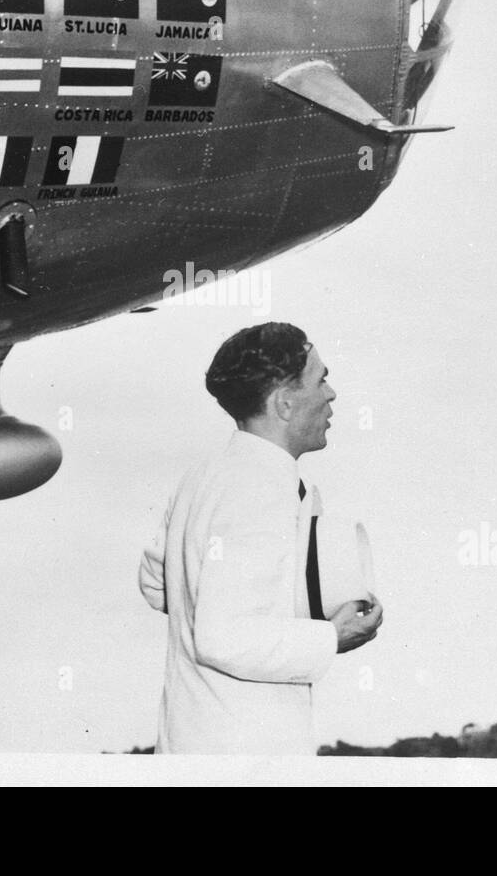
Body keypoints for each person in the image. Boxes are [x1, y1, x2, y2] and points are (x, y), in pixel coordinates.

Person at [138, 322, 382, 755]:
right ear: (285, 403)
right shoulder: (259, 484)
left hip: (194, 741)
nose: (331, 394)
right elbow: (222, 638)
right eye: (321, 378)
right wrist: (331, 636)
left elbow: (159, 585)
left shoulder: (206, 474)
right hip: (243, 758)